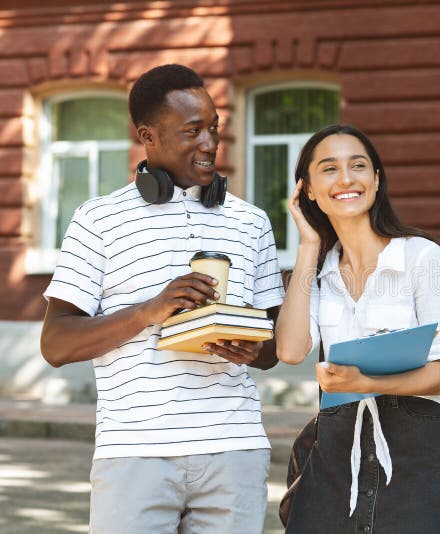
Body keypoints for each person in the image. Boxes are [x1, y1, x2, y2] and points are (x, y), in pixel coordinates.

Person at [39, 64, 284, 533]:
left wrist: (251, 348)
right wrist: (150, 311)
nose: (211, 142)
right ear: (147, 136)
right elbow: (56, 344)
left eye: (214, 127)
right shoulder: (98, 220)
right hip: (134, 453)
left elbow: (272, 350)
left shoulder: (252, 222)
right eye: (193, 131)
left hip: (234, 450)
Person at [275, 124, 440, 533]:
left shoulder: (422, 258)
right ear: (307, 189)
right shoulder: (319, 270)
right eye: (329, 169)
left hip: (414, 449)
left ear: (376, 180)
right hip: (336, 450)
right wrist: (308, 246)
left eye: (358, 166)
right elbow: (290, 351)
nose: (346, 178)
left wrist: (367, 381)